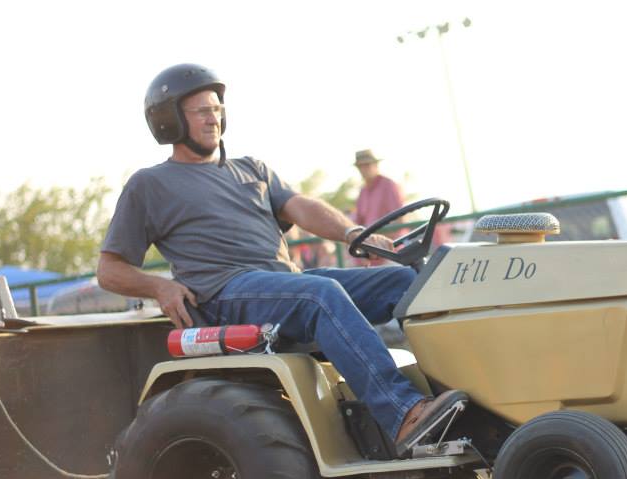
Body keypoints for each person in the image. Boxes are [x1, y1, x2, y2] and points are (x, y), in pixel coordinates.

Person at [96, 64, 466, 458]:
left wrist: (352, 233)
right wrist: (159, 286)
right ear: (169, 121)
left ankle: (463, 392)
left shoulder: (251, 168)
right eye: (202, 110)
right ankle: (404, 411)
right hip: (224, 295)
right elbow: (109, 269)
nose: (214, 117)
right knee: (319, 294)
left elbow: (300, 207)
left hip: (281, 284)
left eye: (218, 109)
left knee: (405, 281)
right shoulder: (150, 184)